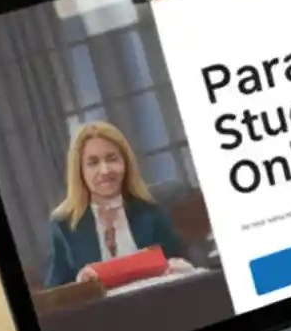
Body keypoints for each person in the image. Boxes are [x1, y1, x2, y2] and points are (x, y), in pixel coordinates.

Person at [43, 121, 194, 288]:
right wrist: (81, 287)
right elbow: (55, 292)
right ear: (79, 171)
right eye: (93, 163)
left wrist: (180, 268)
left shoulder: (151, 208)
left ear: (126, 163)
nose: (106, 171)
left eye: (112, 159)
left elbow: (184, 261)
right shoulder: (63, 223)